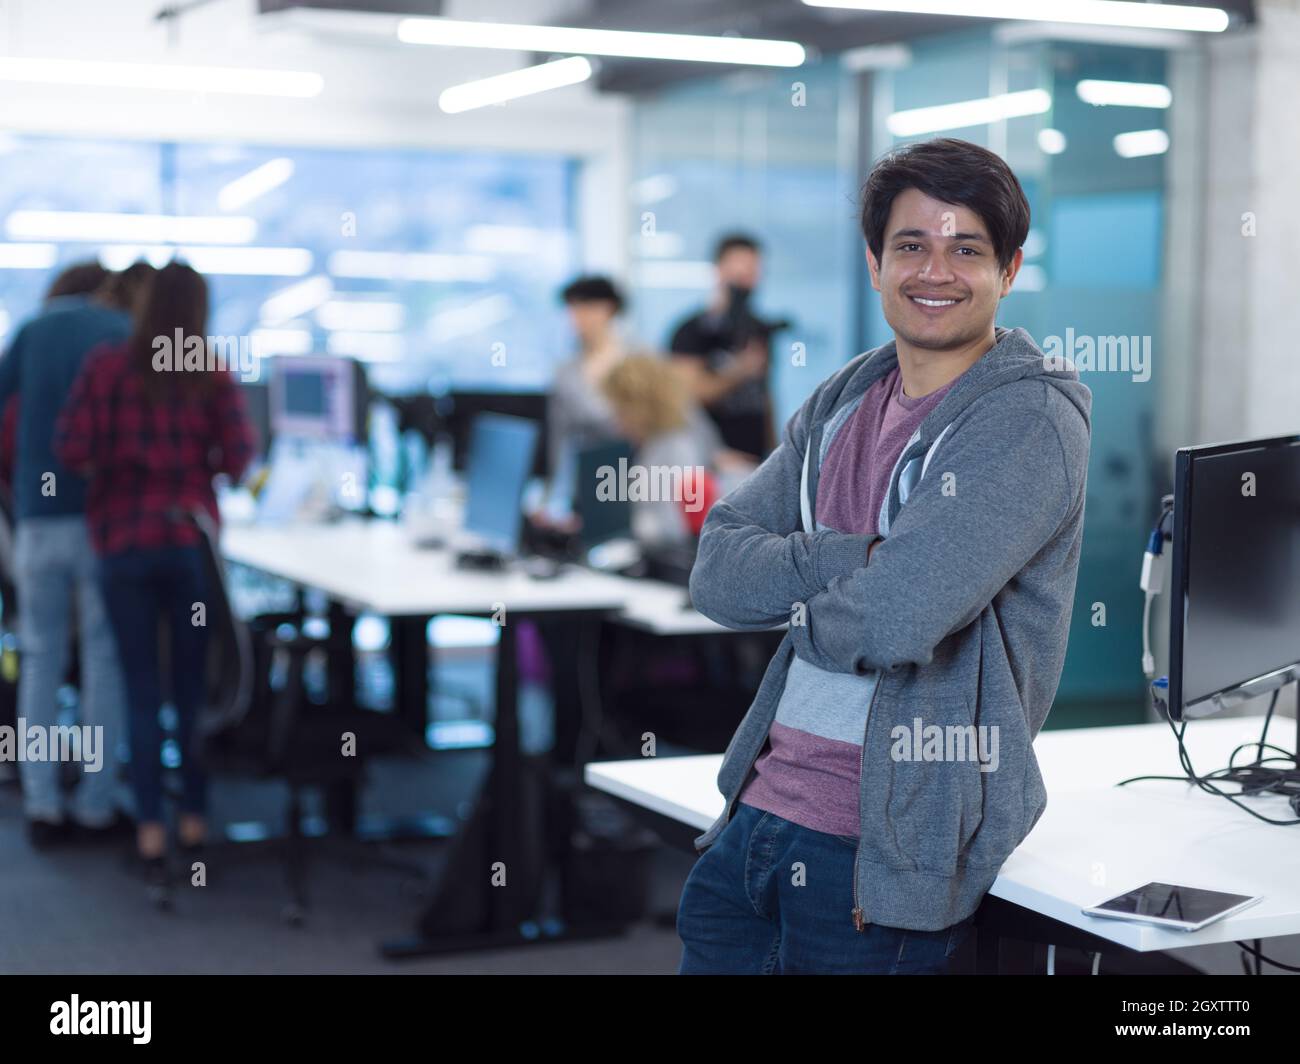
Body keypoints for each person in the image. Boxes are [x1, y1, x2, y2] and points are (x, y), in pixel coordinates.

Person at [678, 138, 1092, 974]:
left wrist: (798, 597)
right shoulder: (842, 398)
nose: (934, 270)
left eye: (965, 249)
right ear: (875, 263)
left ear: (1008, 271)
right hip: (755, 815)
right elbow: (716, 572)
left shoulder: (1028, 419)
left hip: (882, 852)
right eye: (911, 245)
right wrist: (854, 556)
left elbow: (900, 617)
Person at [55, 261, 255, 886]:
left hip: (123, 543)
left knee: (141, 689)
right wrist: (200, 470)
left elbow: (71, 448)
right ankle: (193, 822)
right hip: (187, 543)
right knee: (190, 689)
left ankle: (148, 832)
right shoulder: (210, 369)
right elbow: (241, 458)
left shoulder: (109, 366)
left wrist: (119, 471)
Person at [0, 259, 154, 847]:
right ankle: (94, 804)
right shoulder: (123, 336)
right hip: (103, 520)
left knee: (39, 658)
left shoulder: (35, 329)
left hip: (37, 523)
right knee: (103, 660)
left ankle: (42, 805)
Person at [601, 355, 728, 547]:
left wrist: (621, 525)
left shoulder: (677, 448)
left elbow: (673, 527)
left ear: (638, 408)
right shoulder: (650, 445)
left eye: (619, 410)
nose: (615, 420)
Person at [668, 233, 775, 462]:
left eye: (752, 269)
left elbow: (764, 396)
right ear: (719, 269)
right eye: (739, 268)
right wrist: (739, 372)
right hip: (709, 461)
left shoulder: (759, 330)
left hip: (755, 462)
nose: (746, 277)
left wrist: (777, 455)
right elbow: (687, 395)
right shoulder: (690, 331)